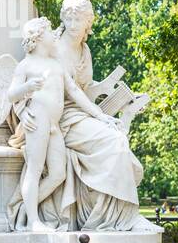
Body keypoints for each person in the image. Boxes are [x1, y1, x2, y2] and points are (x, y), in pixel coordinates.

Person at [6, 18, 117, 231]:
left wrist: (99, 115)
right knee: (35, 169)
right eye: (49, 32)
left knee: (58, 173)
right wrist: (27, 87)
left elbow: (74, 91)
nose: (54, 35)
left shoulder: (55, 64)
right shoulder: (26, 65)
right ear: (38, 38)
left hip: (54, 125)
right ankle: (34, 221)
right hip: (37, 121)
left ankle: (25, 209)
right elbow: (11, 94)